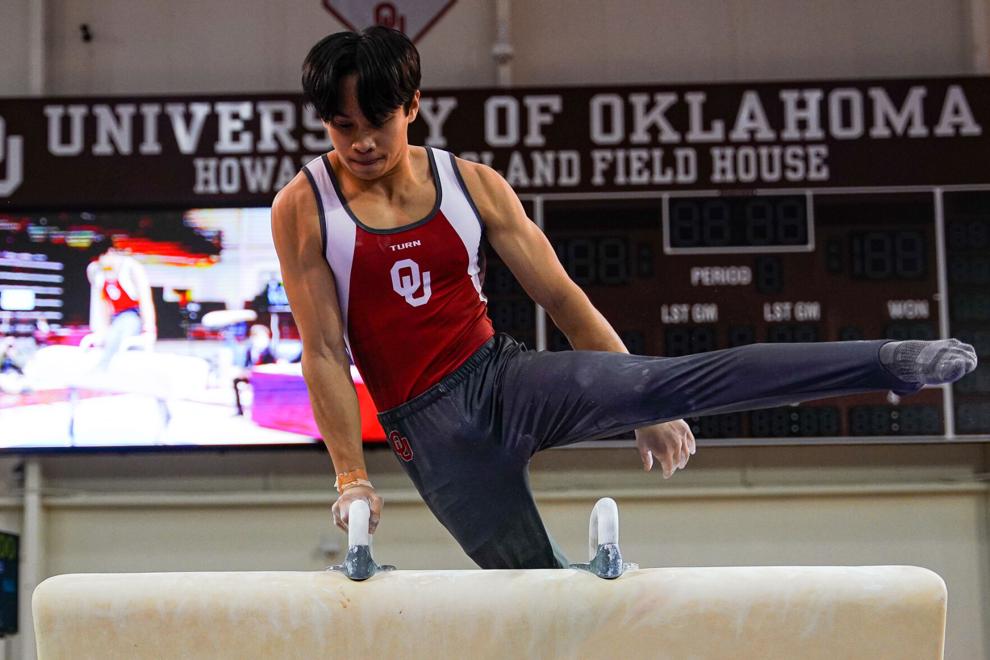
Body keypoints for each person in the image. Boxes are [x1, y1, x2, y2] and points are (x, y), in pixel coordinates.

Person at [271, 27, 978, 569]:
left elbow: (560, 294)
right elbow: (326, 352)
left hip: (504, 377)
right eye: (342, 127)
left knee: (677, 381)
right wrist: (352, 478)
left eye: (378, 122)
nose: (361, 143)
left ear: (414, 104)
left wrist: (643, 403)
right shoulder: (305, 206)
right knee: (532, 595)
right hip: (432, 431)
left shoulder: (471, 184)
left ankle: (888, 362)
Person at [85, 246, 157, 369]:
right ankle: (102, 367)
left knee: (124, 324)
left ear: (110, 252)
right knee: (112, 333)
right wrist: (103, 329)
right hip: (116, 318)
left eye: (102, 258)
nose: (100, 262)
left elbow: (145, 299)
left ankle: (102, 369)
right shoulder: (97, 271)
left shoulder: (131, 268)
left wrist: (149, 328)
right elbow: (104, 304)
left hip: (134, 315)